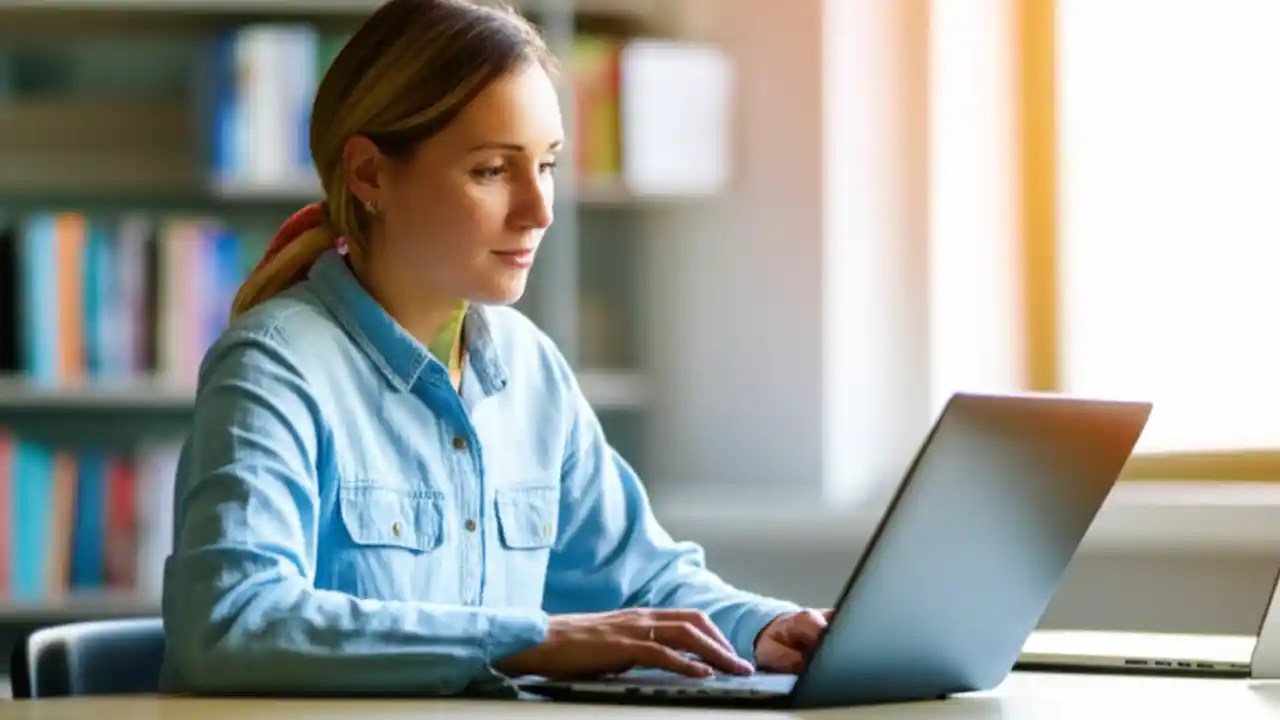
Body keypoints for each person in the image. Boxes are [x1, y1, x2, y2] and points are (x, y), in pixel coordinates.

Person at [159, 0, 829, 696]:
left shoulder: (531, 370)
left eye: (546, 165)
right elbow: (232, 622)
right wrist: (529, 640)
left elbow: (644, 579)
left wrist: (768, 628)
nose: (539, 211)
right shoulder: (273, 368)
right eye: (491, 170)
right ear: (369, 175)